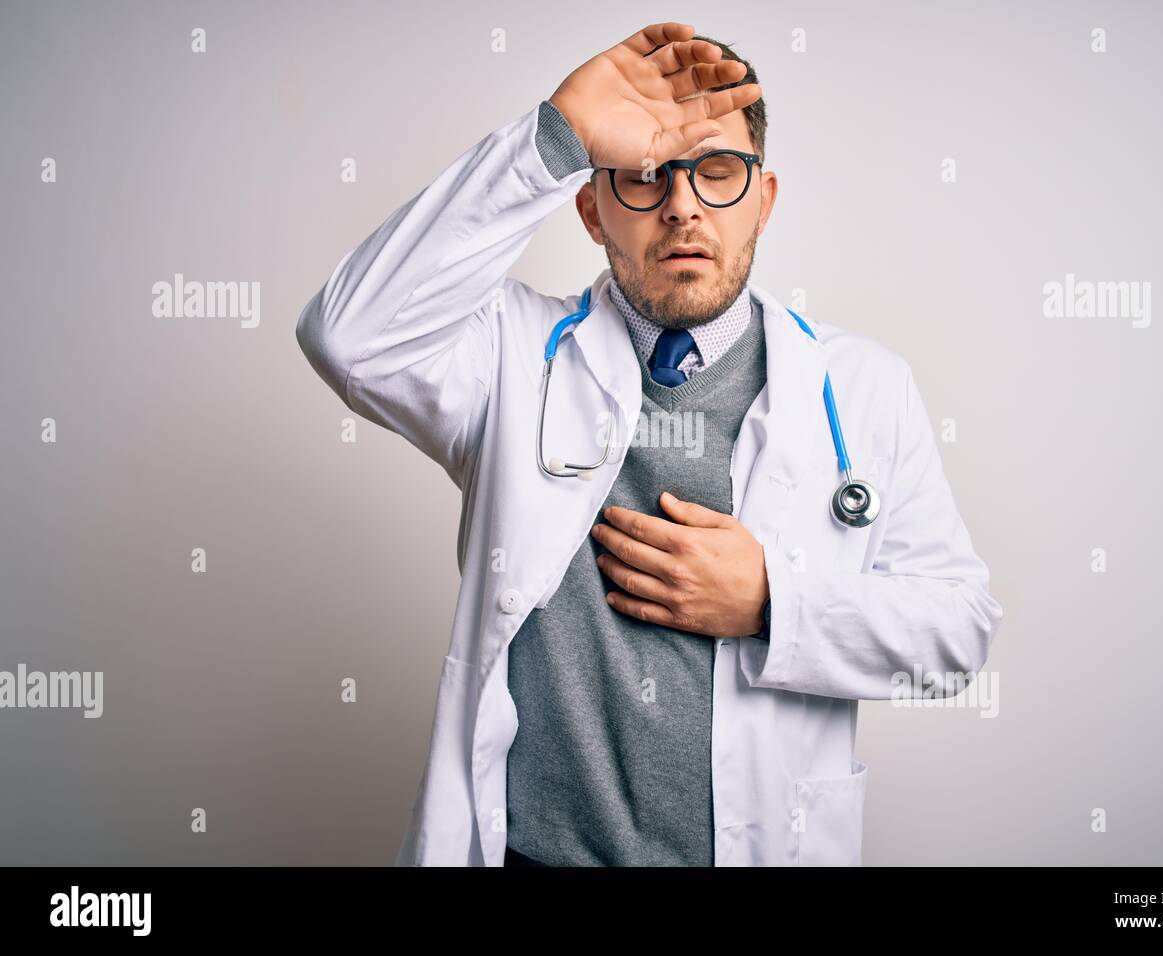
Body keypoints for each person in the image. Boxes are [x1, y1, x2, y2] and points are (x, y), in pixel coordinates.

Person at [295, 22, 1003, 867]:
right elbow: (351, 336)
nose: (682, 205)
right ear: (591, 212)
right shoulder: (512, 358)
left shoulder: (861, 388)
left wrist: (773, 600)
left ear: (763, 201)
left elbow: (956, 639)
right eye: (642, 176)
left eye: (716, 172)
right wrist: (552, 136)